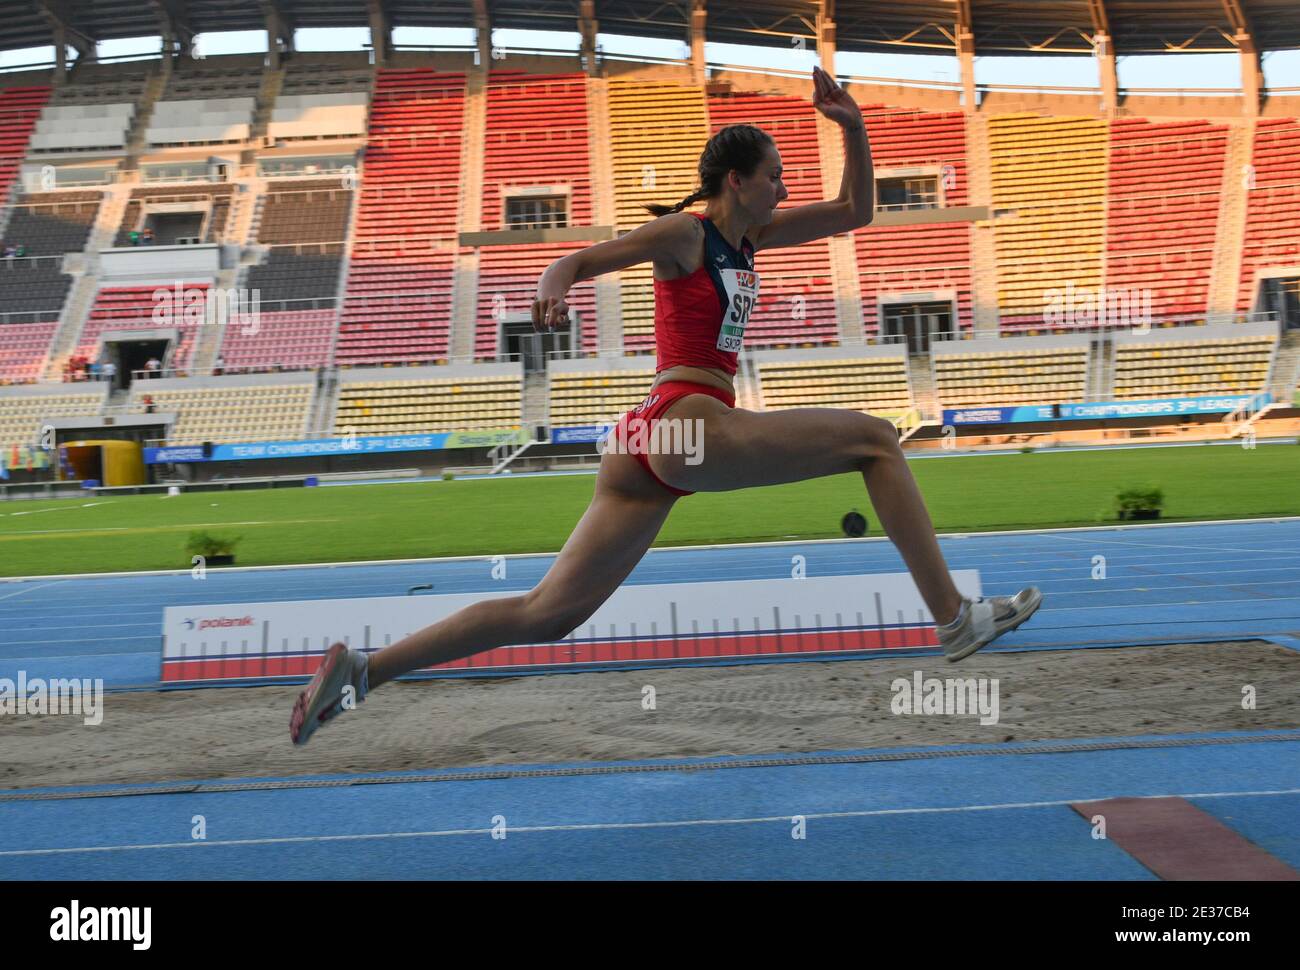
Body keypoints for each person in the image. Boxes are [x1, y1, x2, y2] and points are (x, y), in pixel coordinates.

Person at [290, 65, 1042, 746]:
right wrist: (555, 284)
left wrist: (853, 126)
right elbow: (582, 258)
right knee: (877, 441)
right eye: (776, 177)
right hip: (690, 423)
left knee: (549, 613)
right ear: (737, 181)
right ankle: (954, 618)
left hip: (645, 447)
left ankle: (364, 669)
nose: (785, 189)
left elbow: (854, 211)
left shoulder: (753, 239)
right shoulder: (689, 233)